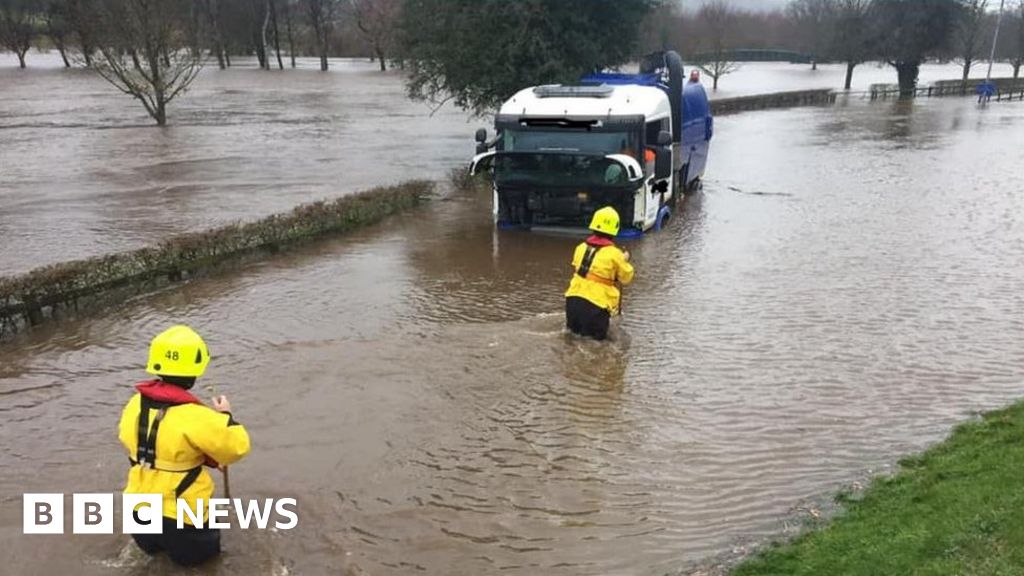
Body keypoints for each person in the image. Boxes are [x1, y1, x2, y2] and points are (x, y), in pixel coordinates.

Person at [118, 325, 251, 566]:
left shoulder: (135, 403)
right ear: (194, 371)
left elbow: (131, 439)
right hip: (183, 517)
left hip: (137, 507)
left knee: (152, 562)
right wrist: (226, 416)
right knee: (204, 567)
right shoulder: (196, 415)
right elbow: (236, 447)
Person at [564, 207, 635, 341]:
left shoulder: (580, 248)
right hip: (595, 306)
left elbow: (586, 268)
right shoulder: (615, 254)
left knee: (571, 340)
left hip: (572, 301)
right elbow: (626, 277)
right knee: (596, 346)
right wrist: (624, 260)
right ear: (614, 230)